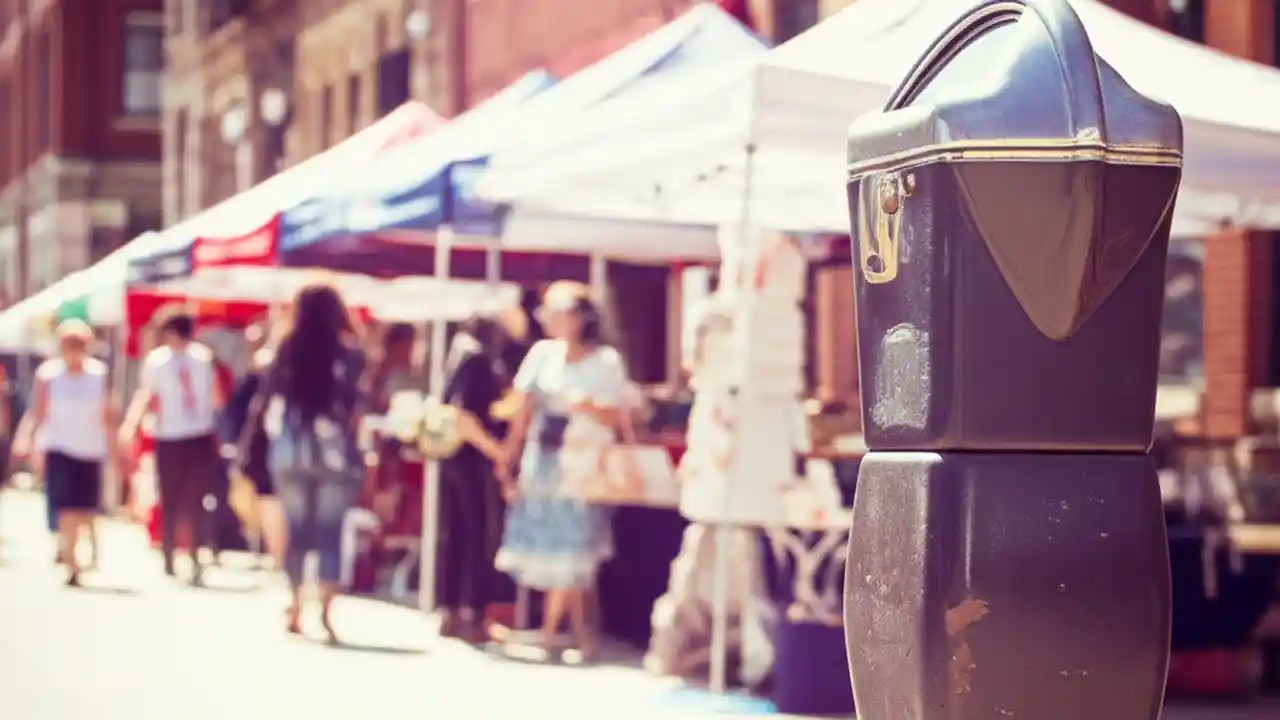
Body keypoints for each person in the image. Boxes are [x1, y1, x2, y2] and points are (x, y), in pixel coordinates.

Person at [495, 281, 628, 659]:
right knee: (559, 547)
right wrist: (509, 456)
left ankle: (558, 632)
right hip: (544, 459)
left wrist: (585, 405)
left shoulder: (605, 362)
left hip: (583, 461)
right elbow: (523, 410)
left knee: (576, 545)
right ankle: (579, 634)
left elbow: (618, 414)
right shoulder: (541, 354)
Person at [240, 284, 366, 642]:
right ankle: (325, 612)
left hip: (291, 449)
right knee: (330, 531)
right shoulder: (349, 354)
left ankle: (294, 605)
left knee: (295, 531)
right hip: (335, 453)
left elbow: (267, 399)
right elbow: (356, 410)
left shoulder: (286, 349)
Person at [120, 308, 224, 585]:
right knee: (170, 495)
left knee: (197, 497)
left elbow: (215, 396)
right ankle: (169, 551)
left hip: (198, 433)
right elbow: (147, 394)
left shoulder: (202, 358)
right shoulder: (158, 362)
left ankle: (196, 554)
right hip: (169, 434)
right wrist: (132, 425)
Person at [13, 320, 116, 586]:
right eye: (68, 346)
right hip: (59, 447)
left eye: (79, 346)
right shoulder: (49, 375)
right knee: (66, 508)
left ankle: (69, 548)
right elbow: (39, 411)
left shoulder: (98, 375)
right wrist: (26, 438)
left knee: (84, 510)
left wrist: (114, 449)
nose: (74, 352)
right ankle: (72, 564)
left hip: (90, 449)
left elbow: (107, 414)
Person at [437, 316, 511, 642]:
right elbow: (465, 415)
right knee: (478, 536)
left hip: (456, 459)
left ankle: (451, 610)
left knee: (455, 534)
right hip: (473, 461)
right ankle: (472, 614)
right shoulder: (477, 359)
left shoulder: (459, 354)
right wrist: (497, 451)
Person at [224, 318, 285, 568]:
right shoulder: (250, 380)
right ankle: (262, 544)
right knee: (245, 497)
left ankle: (274, 552)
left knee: (269, 499)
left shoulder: (273, 375)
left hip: (272, 445)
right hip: (254, 446)